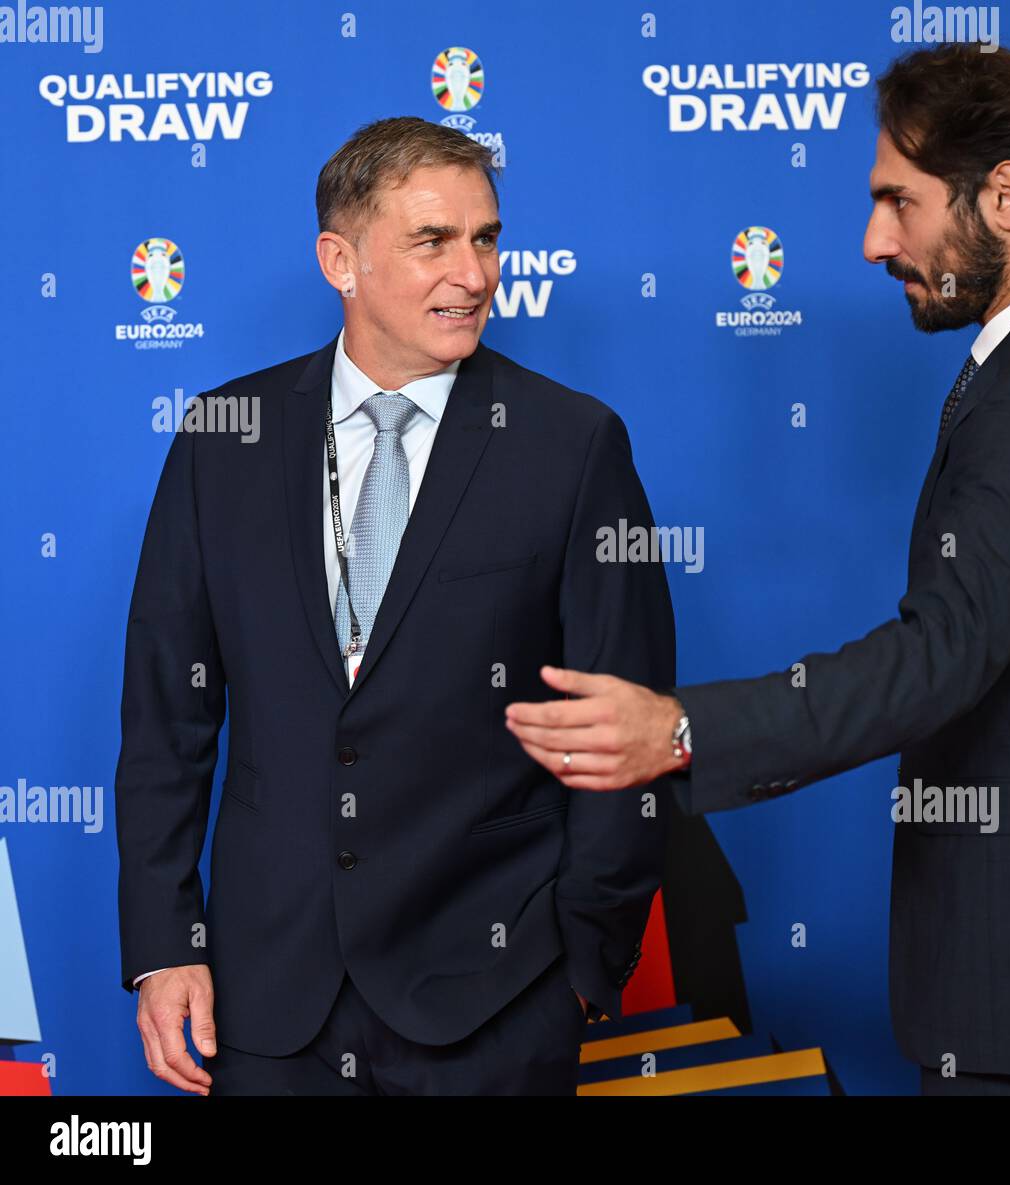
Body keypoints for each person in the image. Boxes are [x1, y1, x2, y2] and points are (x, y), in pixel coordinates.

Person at [503, 44, 1010, 1096]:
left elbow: (941, 656)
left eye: (898, 200)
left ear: (1006, 196)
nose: (871, 240)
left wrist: (678, 730)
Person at [115, 117, 675, 1096]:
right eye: (433, 242)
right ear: (341, 259)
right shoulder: (221, 439)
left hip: (494, 999)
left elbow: (626, 725)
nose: (474, 272)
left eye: (487, 237)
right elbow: (167, 721)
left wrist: (585, 960)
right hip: (270, 1000)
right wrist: (166, 946)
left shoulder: (570, 445)